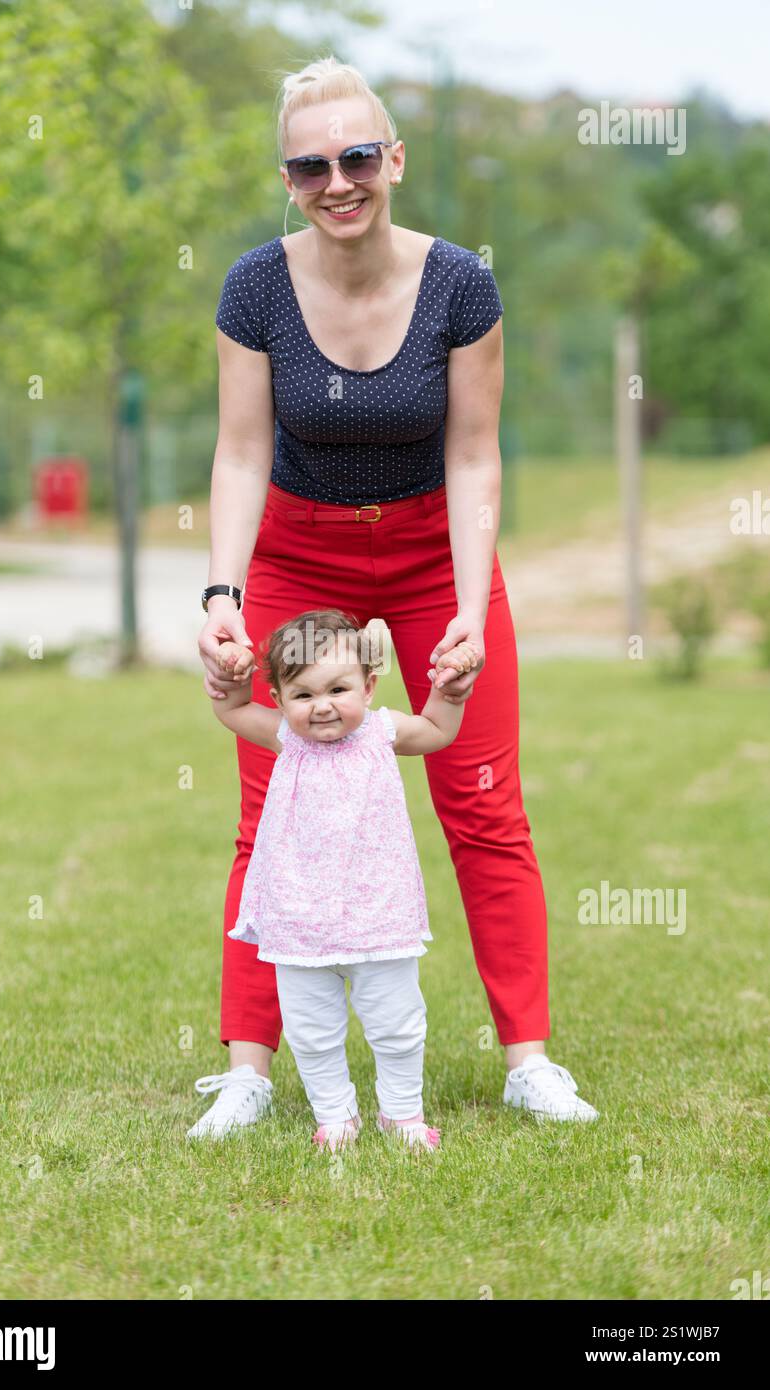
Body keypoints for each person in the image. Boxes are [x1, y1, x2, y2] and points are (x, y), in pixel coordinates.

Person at [192, 54, 599, 1138]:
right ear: (288, 177)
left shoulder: (461, 284)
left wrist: (469, 604)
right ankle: (246, 1070)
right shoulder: (253, 287)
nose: (338, 181)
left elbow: (473, 454)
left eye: (357, 156)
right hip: (298, 549)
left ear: (394, 161)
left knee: (481, 802)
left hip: (430, 551)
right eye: (311, 163)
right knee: (267, 805)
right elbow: (239, 451)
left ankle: (526, 1060)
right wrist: (224, 592)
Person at [189, 610, 479, 1152]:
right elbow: (229, 708)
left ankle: (402, 1114)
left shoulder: (382, 730)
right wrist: (228, 673)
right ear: (278, 699)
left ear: (369, 686)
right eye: (302, 695)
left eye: (338, 689)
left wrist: (451, 691)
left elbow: (438, 729)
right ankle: (335, 1115)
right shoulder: (287, 738)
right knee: (312, 1030)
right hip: (299, 916)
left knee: (397, 1023)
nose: (321, 706)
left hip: (378, 911)